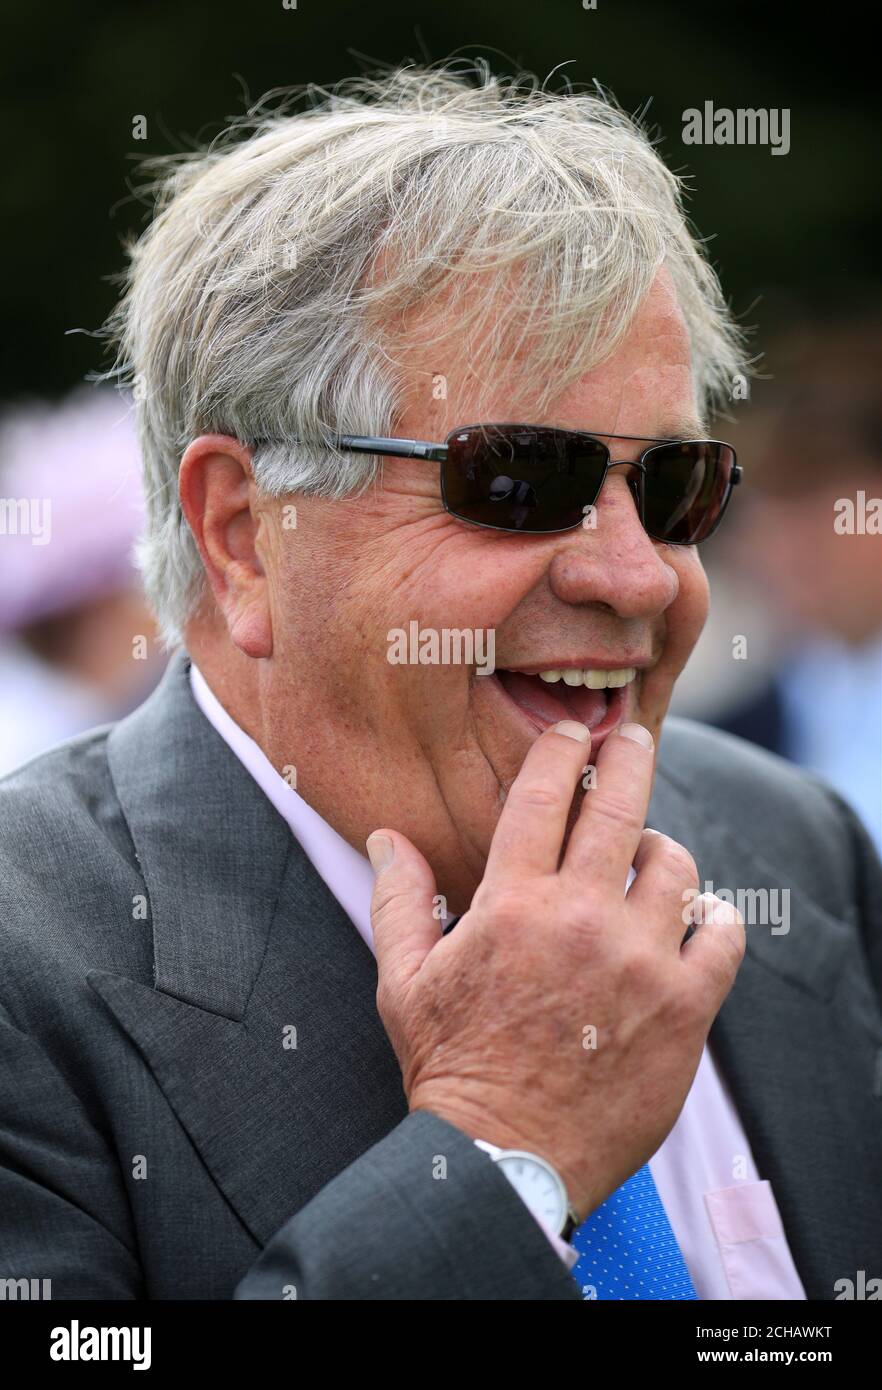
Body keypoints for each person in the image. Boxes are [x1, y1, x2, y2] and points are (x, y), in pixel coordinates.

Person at [0, 63, 879, 1302]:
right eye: (520, 479)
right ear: (246, 535)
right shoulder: (25, 963)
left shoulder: (792, 846)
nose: (638, 576)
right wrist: (501, 1146)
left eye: (677, 485)